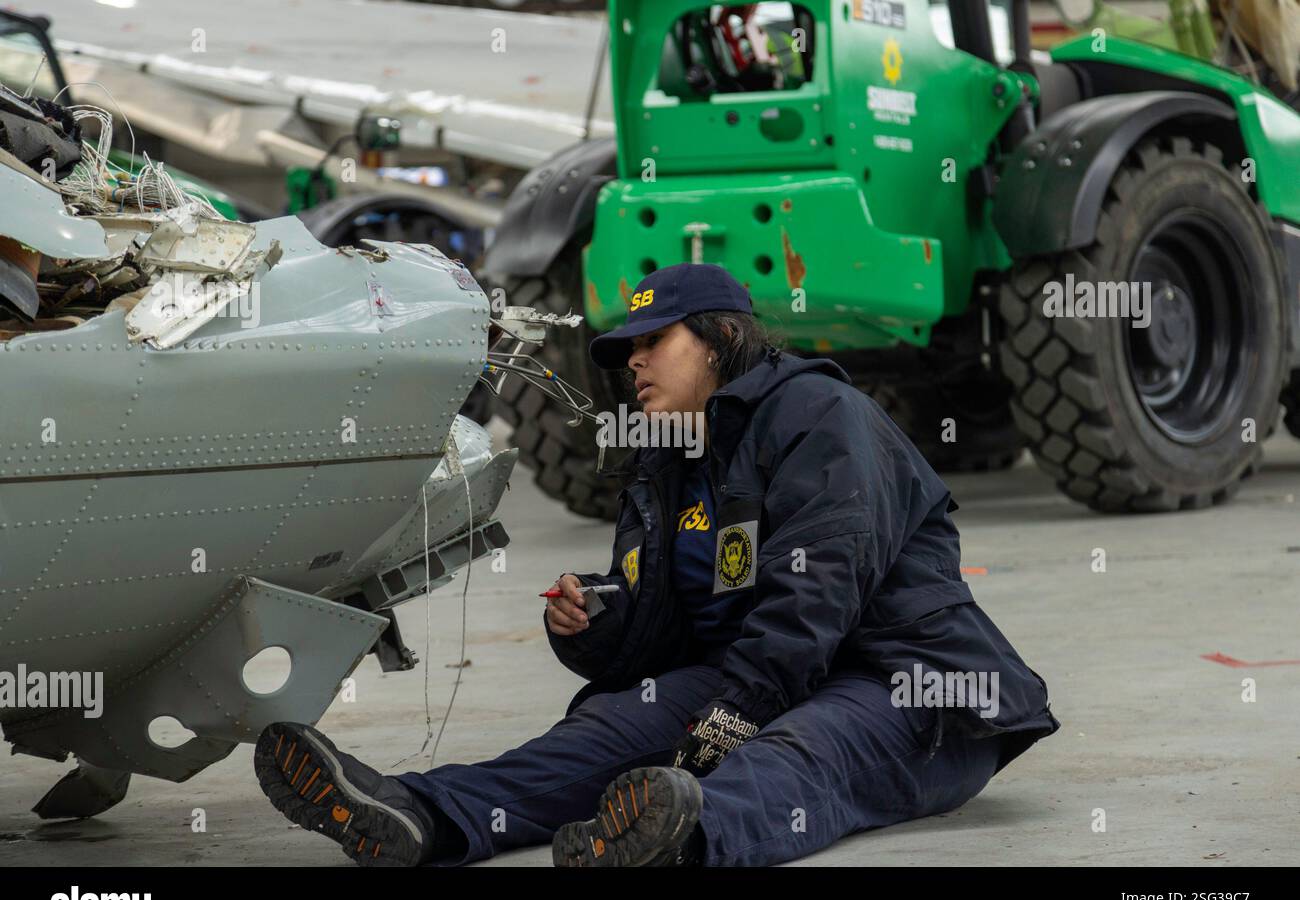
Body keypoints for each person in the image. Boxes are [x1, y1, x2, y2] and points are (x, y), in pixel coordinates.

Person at [253, 262, 1060, 867]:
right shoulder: (669, 457)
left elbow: (816, 591)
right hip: (767, 674)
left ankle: (677, 837)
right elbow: (663, 619)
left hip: (910, 685)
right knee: (613, 726)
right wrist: (594, 618)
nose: (632, 364)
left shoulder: (821, 416)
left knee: (798, 753)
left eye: (654, 342)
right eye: (626, 349)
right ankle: (421, 816)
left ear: (722, 340)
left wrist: (733, 715)